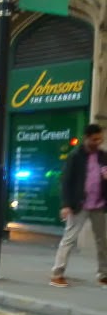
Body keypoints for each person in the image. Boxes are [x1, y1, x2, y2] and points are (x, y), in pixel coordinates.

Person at [50, 123, 106, 288]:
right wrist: (66, 204)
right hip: (79, 204)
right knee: (69, 239)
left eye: (100, 139)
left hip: (99, 204)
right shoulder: (76, 156)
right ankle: (57, 274)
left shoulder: (103, 156)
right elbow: (66, 181)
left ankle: (104, 274)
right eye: (95, 139)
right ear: (86, 138)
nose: (98, 142)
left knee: (102, 241)